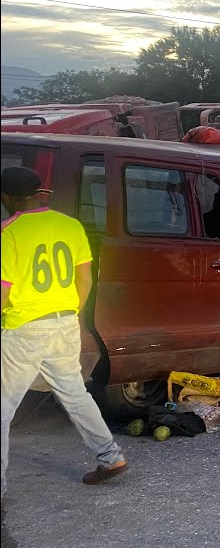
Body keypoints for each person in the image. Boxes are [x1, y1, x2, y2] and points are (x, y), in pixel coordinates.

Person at [1, 167, 127, 498]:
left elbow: (3, 290)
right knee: (74, 393)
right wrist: (72, 313)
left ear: (7, 197)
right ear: (38, 193)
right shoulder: (70, 225)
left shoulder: (7, 233)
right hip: (65, 321)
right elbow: (84, 279)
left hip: (24, 327)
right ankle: (111, 458)